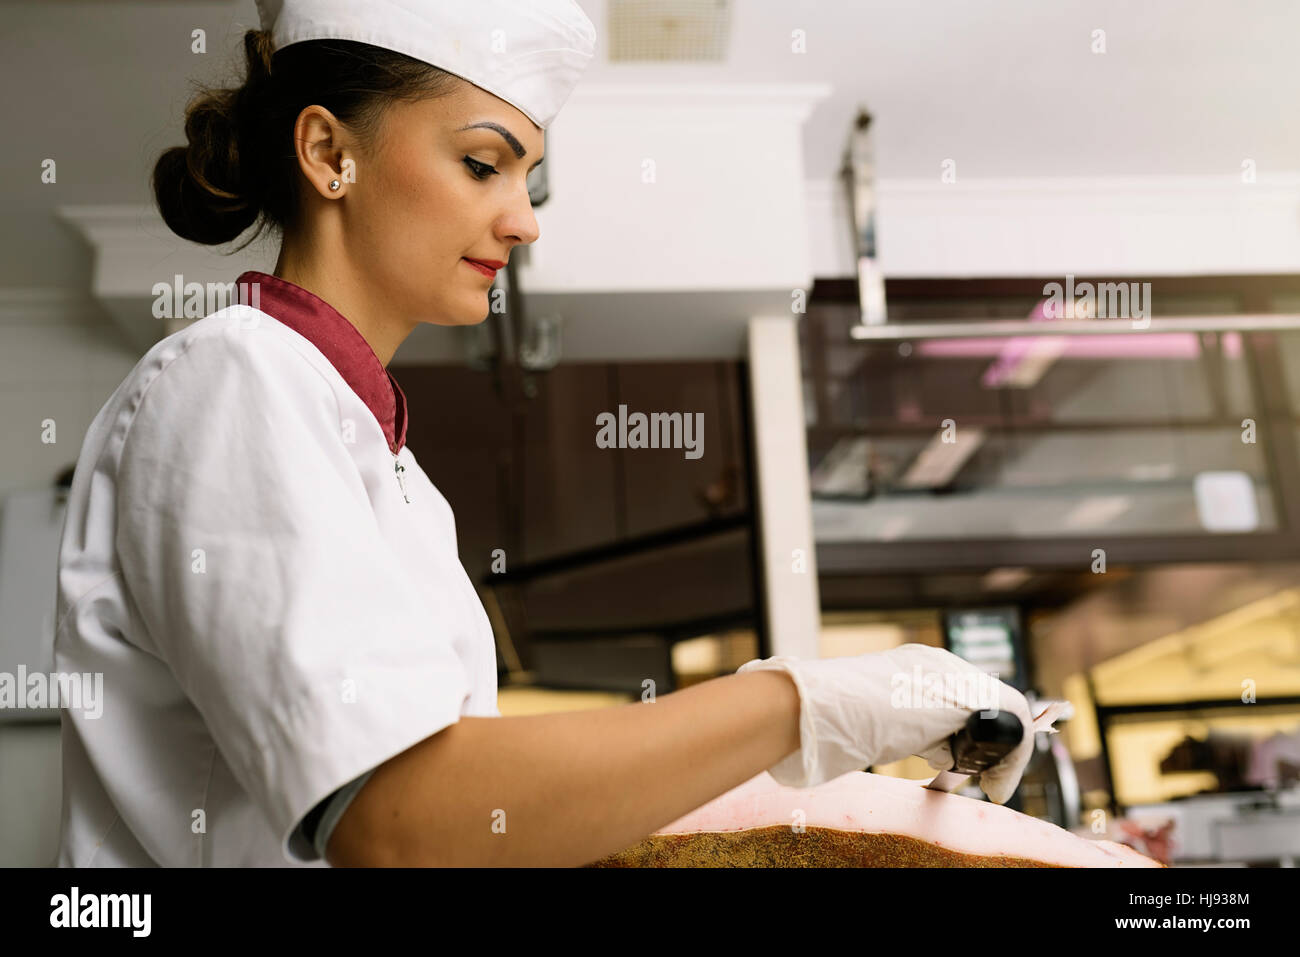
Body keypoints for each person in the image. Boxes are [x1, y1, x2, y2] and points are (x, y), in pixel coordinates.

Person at [53, 0, 1035, 868]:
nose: (523, 222)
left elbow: (464, 813)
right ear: (327, 154)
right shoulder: (235, 378)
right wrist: (801, 705)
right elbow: (398, 824)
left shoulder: (386, 467)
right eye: (483, 163)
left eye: (527, 177)